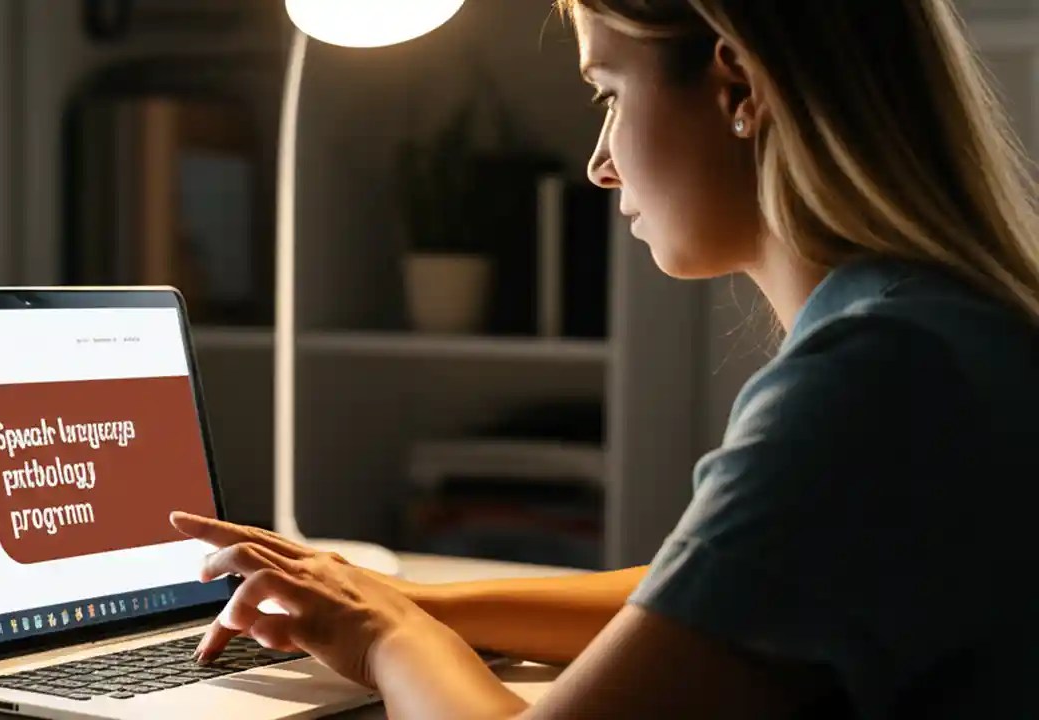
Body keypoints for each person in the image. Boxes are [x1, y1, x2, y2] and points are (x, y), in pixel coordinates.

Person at [168, 0, 1039, 717]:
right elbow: (703, 599)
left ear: (738, 84)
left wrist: (386, 638)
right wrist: (402, 598)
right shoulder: (944, 331)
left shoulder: (874, 378)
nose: (599, 164)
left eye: (609, 93)